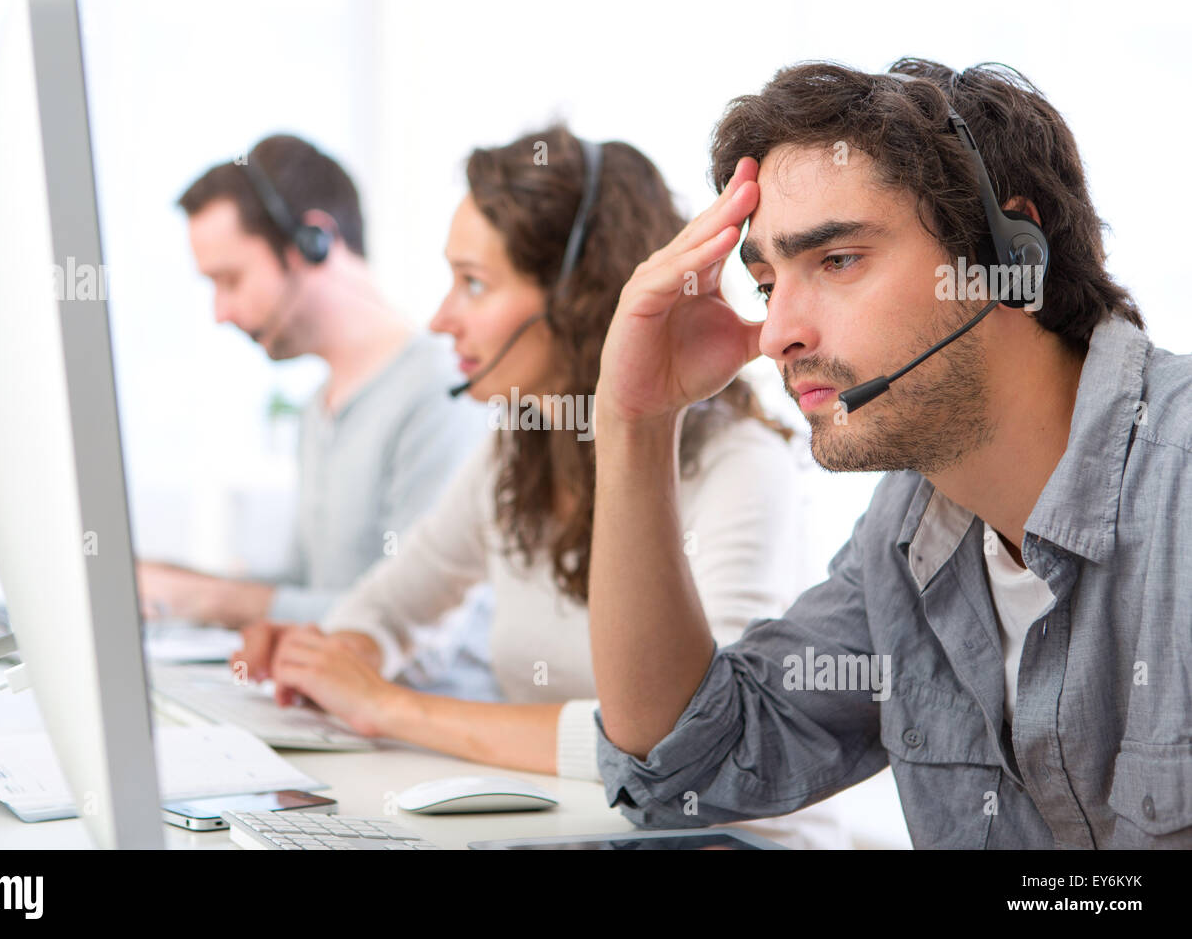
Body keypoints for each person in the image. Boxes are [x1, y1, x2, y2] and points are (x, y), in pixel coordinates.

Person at [588, 59, 1191, 848]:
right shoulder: (913, 526)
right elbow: (689, 767)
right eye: (768, 284)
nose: (777, 335)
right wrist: (635, 422)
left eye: (837, 262)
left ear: (1011, 256)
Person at [234, 126, 846, 848]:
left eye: (474, 283)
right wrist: (330, 655)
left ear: (576, 299)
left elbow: (691, 742)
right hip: (579, 829)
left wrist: (388, 708)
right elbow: (396, 601)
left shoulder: (740, 463)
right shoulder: (518, 448)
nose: (440, 319)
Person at [137, 134, 493, 696]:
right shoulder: (315, 412)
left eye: (230, 280)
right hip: (341, 726)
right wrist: (172, 585)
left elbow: (417, 625)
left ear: (315, 241)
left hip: (431, 740)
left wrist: (208, 599)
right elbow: (311, 591)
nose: (220, 313)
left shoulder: (445, 388)